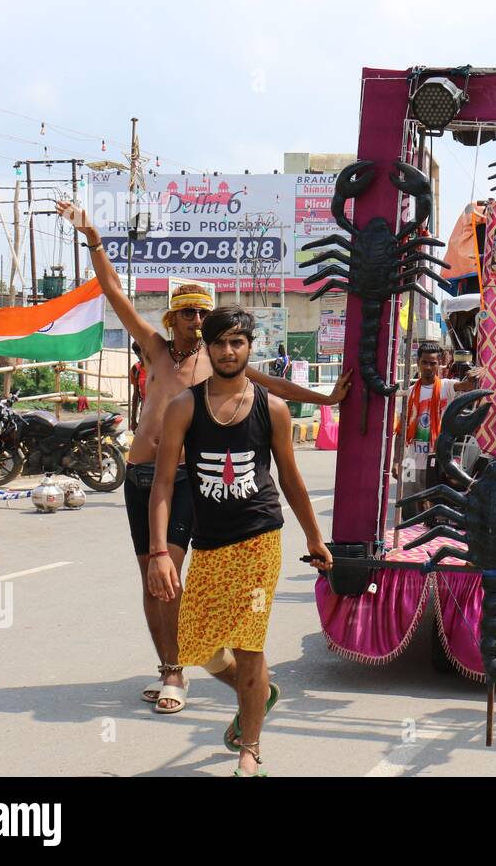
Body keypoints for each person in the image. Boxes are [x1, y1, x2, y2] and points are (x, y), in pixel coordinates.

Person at [55, 199, 352, 714]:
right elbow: (114, 292)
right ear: (171, 318)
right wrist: (94, 238)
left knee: (184, 572)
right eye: (186, 312)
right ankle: (172, 670)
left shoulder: (220, 362)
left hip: (197, 482)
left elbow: (273, 386)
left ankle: (221, 677)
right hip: (145, 478)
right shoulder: (152, 348)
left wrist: (326, 400)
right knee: (156, 573)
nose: (194, 321)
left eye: (201, 313)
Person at [147, 306, 333, 776]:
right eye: (219, 343)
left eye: (237, 342)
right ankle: (259, 693)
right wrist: (158, 553)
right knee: (196, 646)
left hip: (258, 540)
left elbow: (290, 478)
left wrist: (314, 536)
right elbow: (164, 484)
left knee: (250, 644)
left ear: (251, 347)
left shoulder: (272, 407)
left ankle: (250, 751)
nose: (228, 351)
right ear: (207, 348)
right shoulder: (184, 407)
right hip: (209, 543)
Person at [393, 343, 478, 518]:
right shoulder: (409, 393)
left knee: (436, 514)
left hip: (437, 461)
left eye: (433, 363)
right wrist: (395, 460)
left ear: (439, 364)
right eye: (425, 362)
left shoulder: (447, 386)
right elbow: (400, 431)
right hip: (410, 462)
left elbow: (467, 386)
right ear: (418, 362)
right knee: (409, 511)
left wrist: (474, 375)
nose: (428, 367)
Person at [129, 342, 147, 431]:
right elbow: (135, 395)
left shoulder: (158, 367)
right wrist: (133, 420)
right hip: (145, 408)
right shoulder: (135, 369)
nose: (142, 359)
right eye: (139, 357)